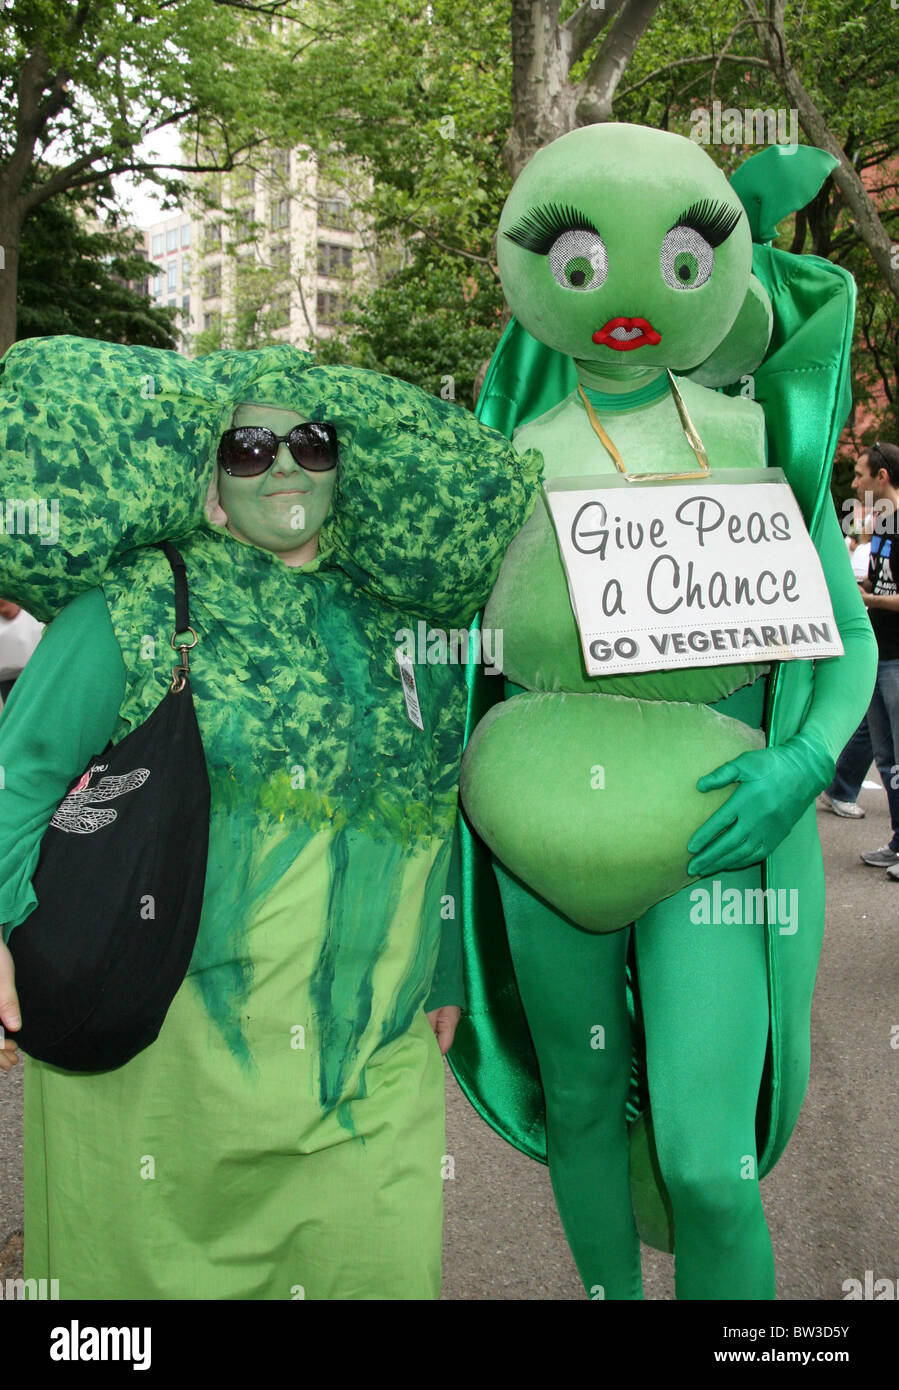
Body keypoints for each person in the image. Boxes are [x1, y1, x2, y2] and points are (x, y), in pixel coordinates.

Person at [0, 339, 540, 1299]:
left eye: (312, 444)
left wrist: (445, 961)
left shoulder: (404, 627)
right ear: (210, 480)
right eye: (250, 448)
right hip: (166, 1057)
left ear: (343, 469)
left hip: (366, 1061)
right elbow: (22, 770)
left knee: (372, 1263)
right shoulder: (134, 604)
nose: (284, 464)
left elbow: (426, 803)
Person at [448, 126, 877, 1300]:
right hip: (540, 842)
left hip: (716, 832)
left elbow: (843, 636)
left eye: (679, 258)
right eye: (578, 261)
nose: (625, 294)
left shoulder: (755, 439)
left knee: (707, 1159)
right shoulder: (496, 466)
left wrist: (800, 763)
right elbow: (441, 664)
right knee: (578, 1107)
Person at [819, 443, 899, 870]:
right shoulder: (883, 524)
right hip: (879, 651)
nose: (854, 483)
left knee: (897, 755)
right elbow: (877, 580)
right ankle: (896, 841)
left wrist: (869, 599)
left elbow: (888, 594)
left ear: (882, 477)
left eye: (860, 475)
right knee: (885, 757)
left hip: (896, 657)